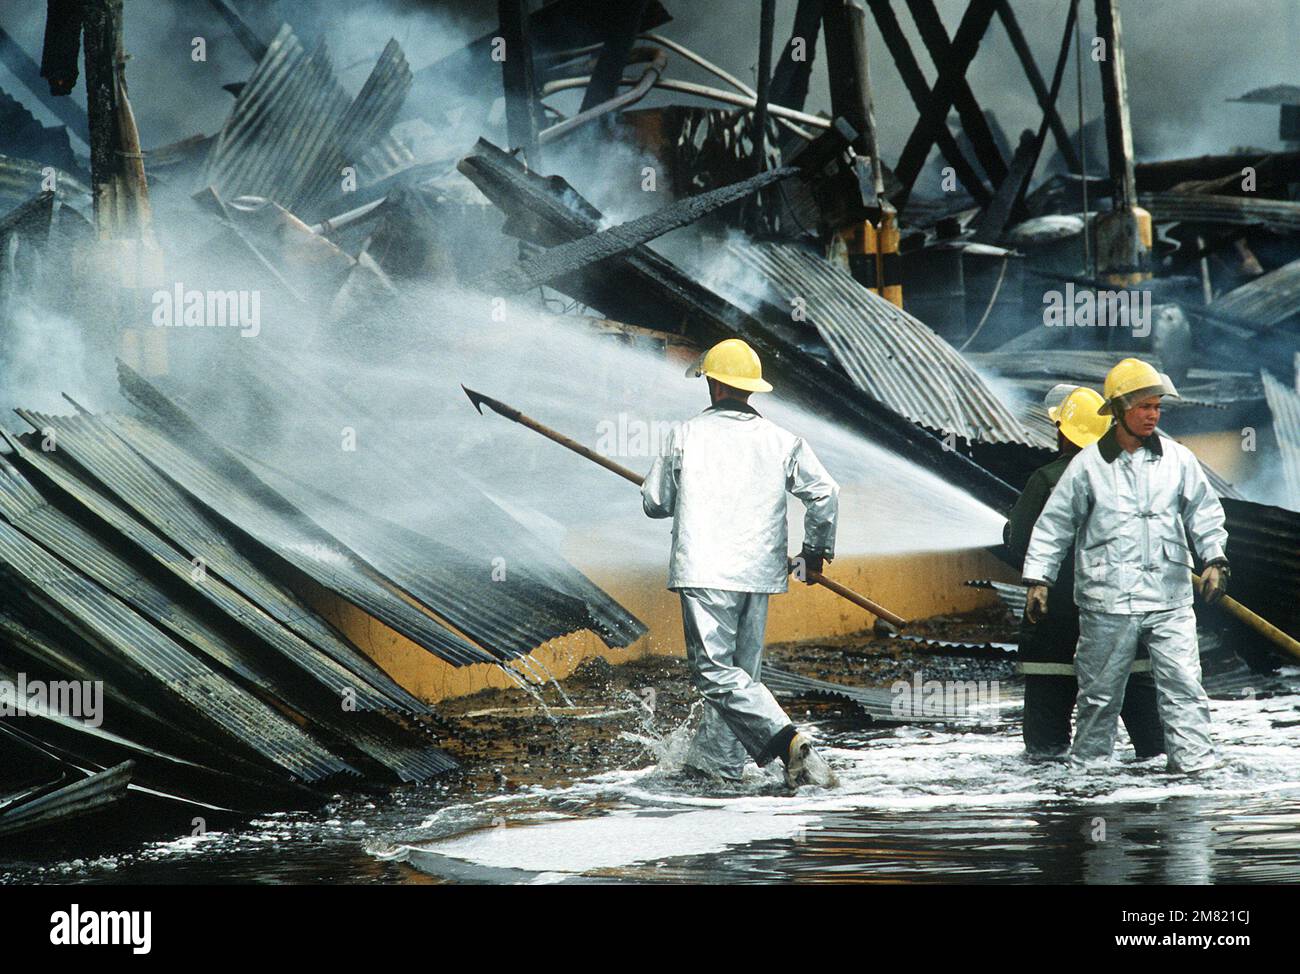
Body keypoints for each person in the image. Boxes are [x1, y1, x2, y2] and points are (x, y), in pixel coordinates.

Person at [642, 338, 840, 788]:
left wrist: (667, 487)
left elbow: (655, 503)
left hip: (705, 569)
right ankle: (717, 768)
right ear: (751, 389)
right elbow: (825, 493)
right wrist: (814, 554)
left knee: (715, 674)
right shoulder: (782, 440)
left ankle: (789, 741)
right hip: (758, 573)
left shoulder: (685, 435)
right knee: (739, 679)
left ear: (712, 384)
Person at [1022, 359, 1229, 774]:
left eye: (1157, 407)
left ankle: (1194, 769)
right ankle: (1091, 773)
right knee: (1099, 695)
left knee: (1184, 686)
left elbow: (1204, 513)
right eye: (1144, 407)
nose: (1154, 414)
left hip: (1169, 598)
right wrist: (1038, 580)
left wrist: (1215, 558)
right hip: (1107, 600)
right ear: (1118, 410)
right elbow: (1055, 525)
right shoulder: (1088, 467)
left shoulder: (1178, 460)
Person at [1004, 385, 1164, 761]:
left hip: (1057, 625)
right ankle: (1162, 807)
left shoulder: (1046, 480)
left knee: (1047, 751)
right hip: (1125, 619)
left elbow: (1019, 543)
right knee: (1154, 742)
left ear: (1064, 433)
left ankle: (1063, 810)